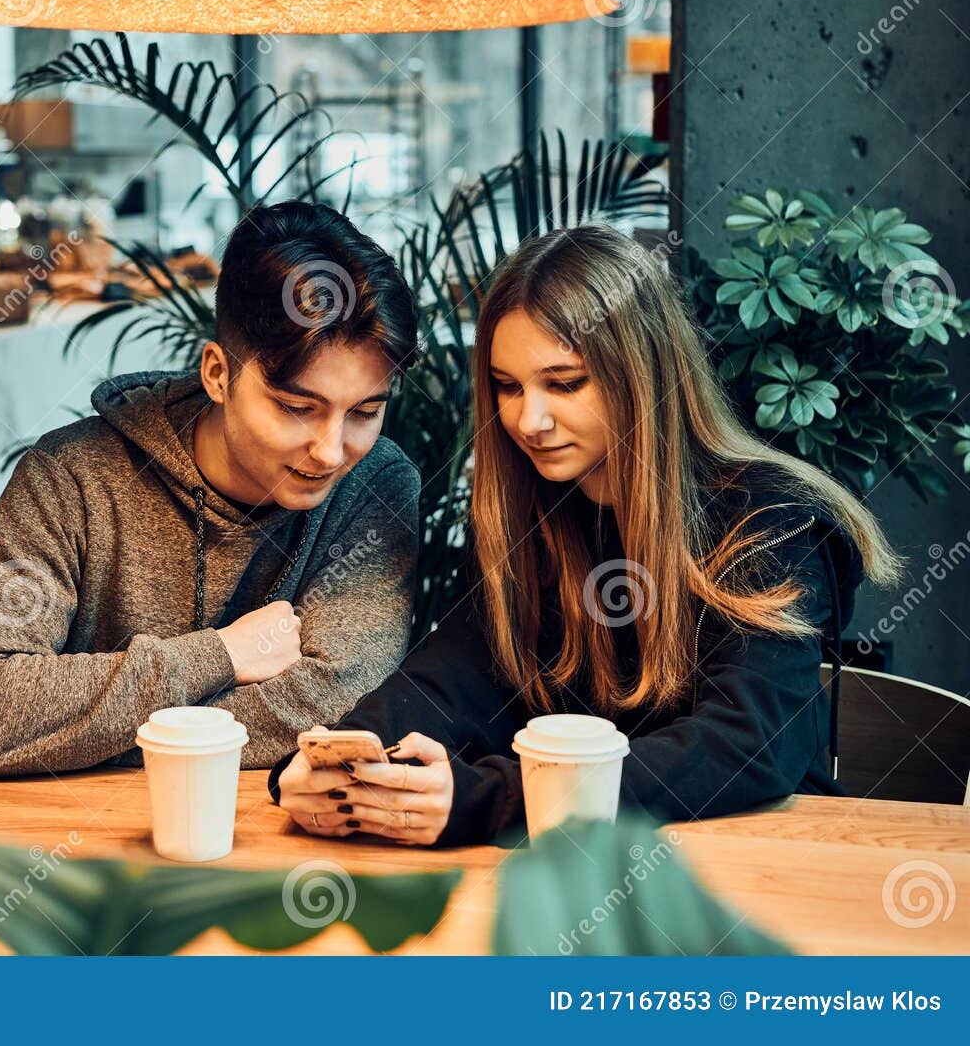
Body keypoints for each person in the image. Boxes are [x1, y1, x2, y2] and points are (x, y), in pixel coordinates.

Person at [271, 223, 902, 846]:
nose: (529, 419)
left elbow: (746, 743)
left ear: (641, 374)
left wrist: (494, 801)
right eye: (508, 386)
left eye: (564, 383)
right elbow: (450, 679)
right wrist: (332, 762)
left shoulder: (771, 518)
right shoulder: (524, 517)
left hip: (758, 867)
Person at [0, 200, 422, 779]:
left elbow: (339, 704)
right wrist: (224, 655)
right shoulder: (72, 476)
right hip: (57, 840)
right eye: (296, 408)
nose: (331, 451)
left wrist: (80, 732)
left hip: (269, 841)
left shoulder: (377, 485)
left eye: (364, 412)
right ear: (217, 373)